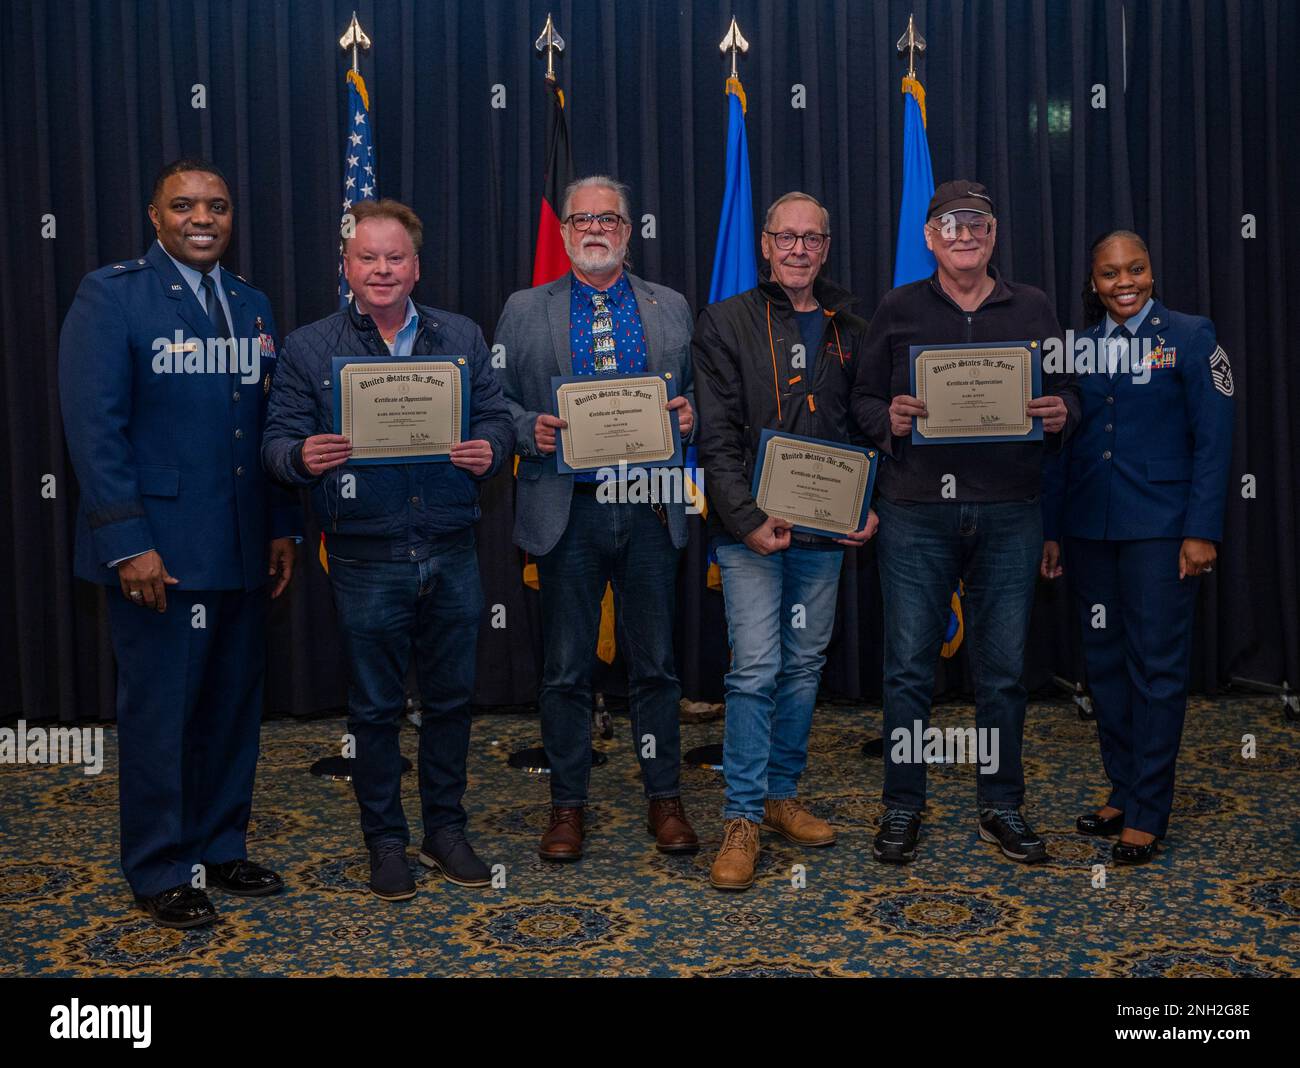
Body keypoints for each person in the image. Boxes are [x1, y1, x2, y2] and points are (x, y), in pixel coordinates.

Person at [59, 158, 301, 928]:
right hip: (157, 553)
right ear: (155, 216)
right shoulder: (113, 295)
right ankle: (161, 866)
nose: (204, 217)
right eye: (185, 205)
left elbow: (264, 428)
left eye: (218, 206)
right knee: (162, 716)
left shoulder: (251, 303)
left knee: (233, 708)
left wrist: (282, 525)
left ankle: (220, 846)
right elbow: (97, 434)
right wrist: (127, 544)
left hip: (239, 547)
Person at [262, 198, 514, 900]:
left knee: (451, 701)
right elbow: (273, 441)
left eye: (394, 257)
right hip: (364, 556)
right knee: (374, 709)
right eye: (367, 256)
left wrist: (491, 446)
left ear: (416, 267)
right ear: (346, 266)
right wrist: (298, 456)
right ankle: (385, 841)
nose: (381, 269)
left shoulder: (460, 335)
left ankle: (445, 830)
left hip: (451, 548)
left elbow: (496, 415)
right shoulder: (311, 346)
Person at [850, 179, 1080, 865]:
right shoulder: (897, 308)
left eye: (977, 223)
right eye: (949, 223)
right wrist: (883, 419)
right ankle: (901, 804)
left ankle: (1001, 805)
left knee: (1004, 671)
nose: (963, 234)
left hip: (1011, 509)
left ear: (993, 234)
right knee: (908, 670)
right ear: (930, 237)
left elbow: (1070, 388)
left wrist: (1066, 411)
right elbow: (860, 399)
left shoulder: (1033, 306)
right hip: (916, 512)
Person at [494, 175, 699, 862]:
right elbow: (494, 404)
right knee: (563, 669)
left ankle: (664, 797)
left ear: (629, 230)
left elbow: (697, 391)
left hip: (647, 508)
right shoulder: (524, 309)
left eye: (610, 218)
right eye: (583, 217)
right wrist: (530, 430)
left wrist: (692, 414)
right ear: (563, 232)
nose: (596, 228)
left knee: (658, 667)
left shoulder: (670, 307)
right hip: (567, 509)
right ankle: (567, 806)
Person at [693, 191, 878, 891]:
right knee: (756, 668)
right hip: (751, 532)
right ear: (765, 245)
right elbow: (715, 435)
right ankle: (740, 816)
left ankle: (779, 795)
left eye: (812, 239)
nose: (799, 249)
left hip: (827, 530)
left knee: (803, 664)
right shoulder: (725, 321)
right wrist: (745, 519)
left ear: (825, 248)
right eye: (786, 237)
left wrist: (868, 503)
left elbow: (864, 425)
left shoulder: (851, 325)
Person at [1041, 229, 1234, 864]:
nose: (1124, 283)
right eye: (1109, 274)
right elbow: (1064, 445)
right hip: (1092, 529)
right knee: (1104, 666)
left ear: (1151, 272)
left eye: (1136, 269)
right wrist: (1051, 528)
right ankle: (1123, 788)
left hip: (1161, 531)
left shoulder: (1192, 336)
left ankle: (1149, 809)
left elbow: (1213, 440)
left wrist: (1201, 529)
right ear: (1091, 283)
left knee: (1156, 668)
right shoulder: (1080, 348)